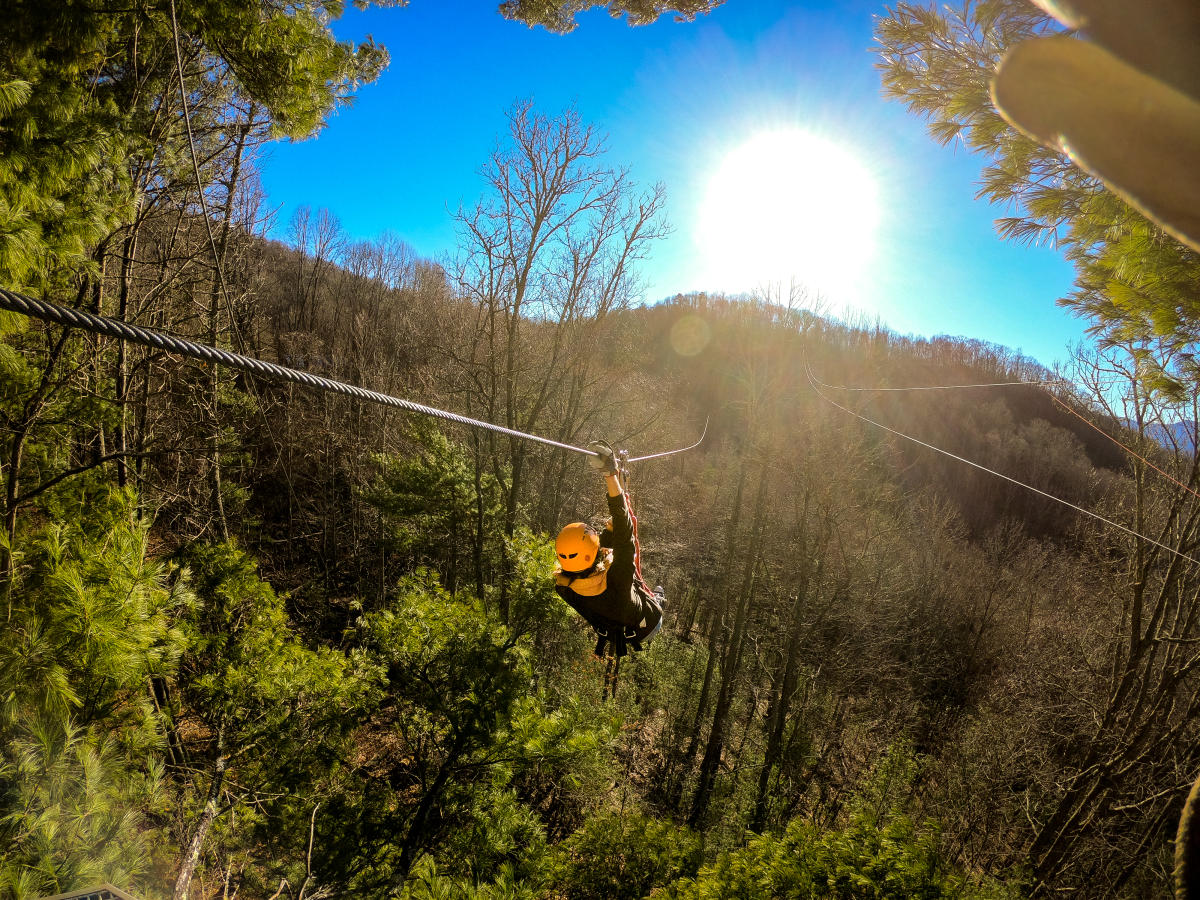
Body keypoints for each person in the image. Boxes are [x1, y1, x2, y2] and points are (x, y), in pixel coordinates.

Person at [554, 441, 664, 656]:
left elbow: (592, 557)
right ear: (592, 554)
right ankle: (659, 598)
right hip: (649, 624)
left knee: (614, 552)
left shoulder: (564, 586)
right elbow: (624, 523)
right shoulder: (618, 577)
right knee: (656, 600)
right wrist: (610, 475)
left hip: (614, 626)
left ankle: (657, 596)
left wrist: (610, 534)